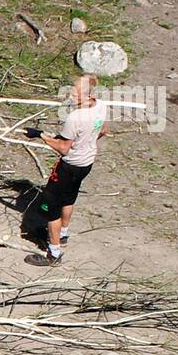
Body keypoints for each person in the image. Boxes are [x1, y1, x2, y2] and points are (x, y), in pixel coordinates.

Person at [23, 75, 107, 266]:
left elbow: (63, 148)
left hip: (69, 167)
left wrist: (40, 136)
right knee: (69, 198)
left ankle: (53, 254)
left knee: (51, 209)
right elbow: (102, 130)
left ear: (84, 94)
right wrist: (84, 142)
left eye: (74, 89)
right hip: (86, 164)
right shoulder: (100, 106)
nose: (70, 91)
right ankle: (63, 235)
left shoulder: (75, 117)